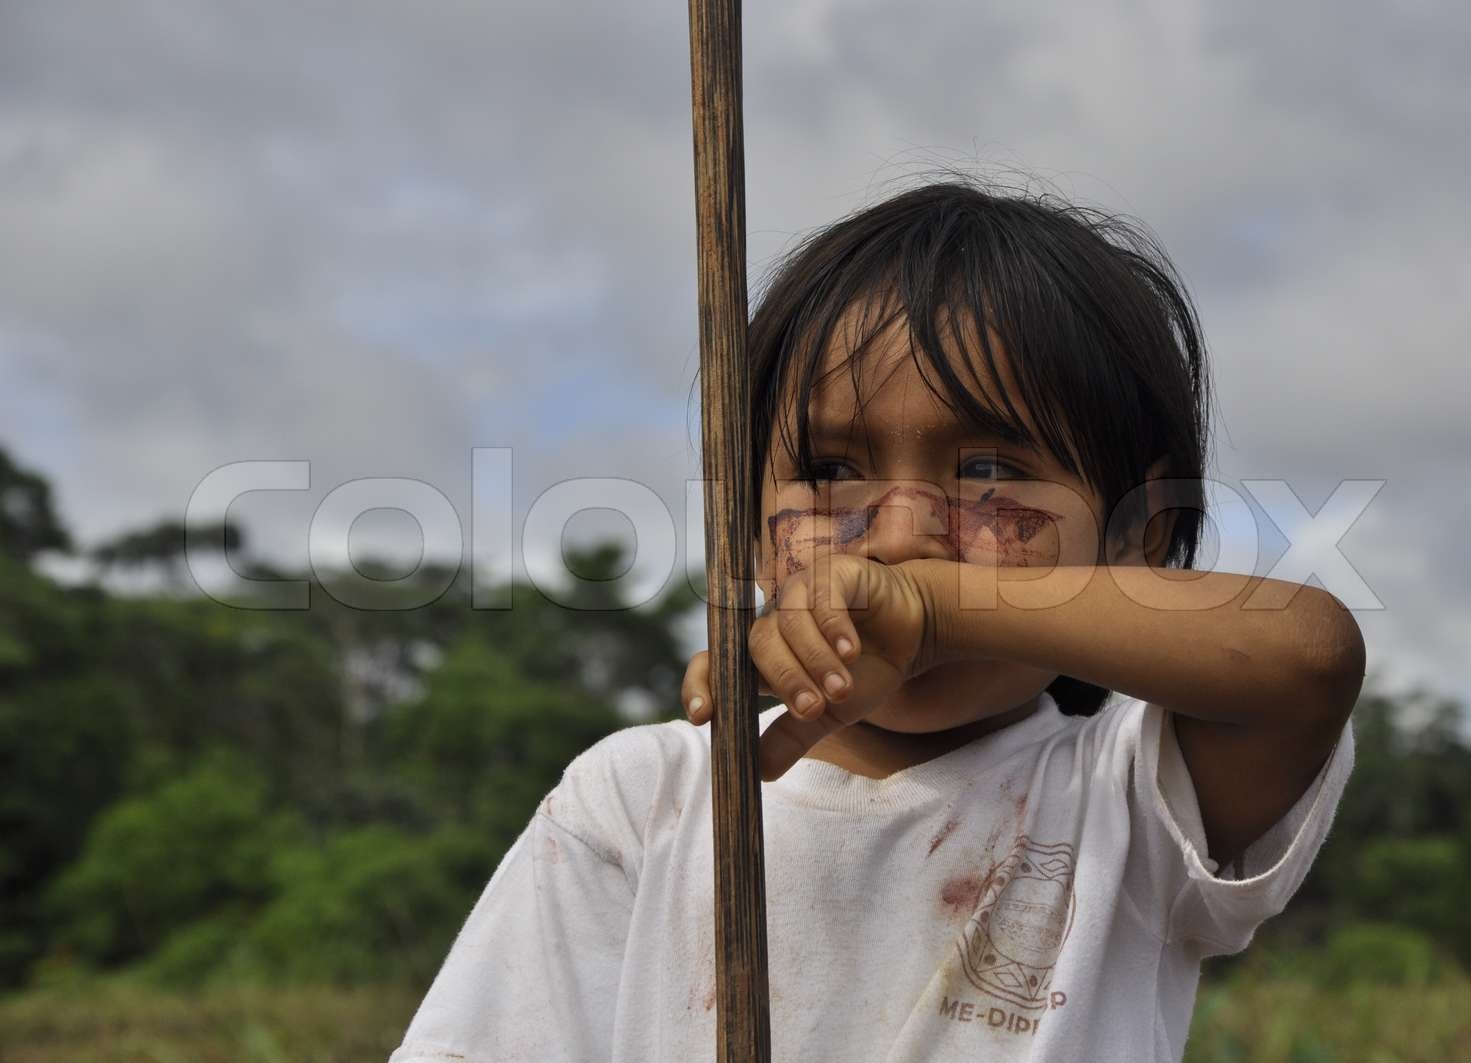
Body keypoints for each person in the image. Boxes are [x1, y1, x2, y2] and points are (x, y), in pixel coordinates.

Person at [388, 179, 1364, 1062]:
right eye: (828, 470)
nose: (898, 536)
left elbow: (1308, 656)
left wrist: (943, 607)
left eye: (988, 469)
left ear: (1137, 537)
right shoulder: (646, 799)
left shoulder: (1130, 797)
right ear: (743, 522)